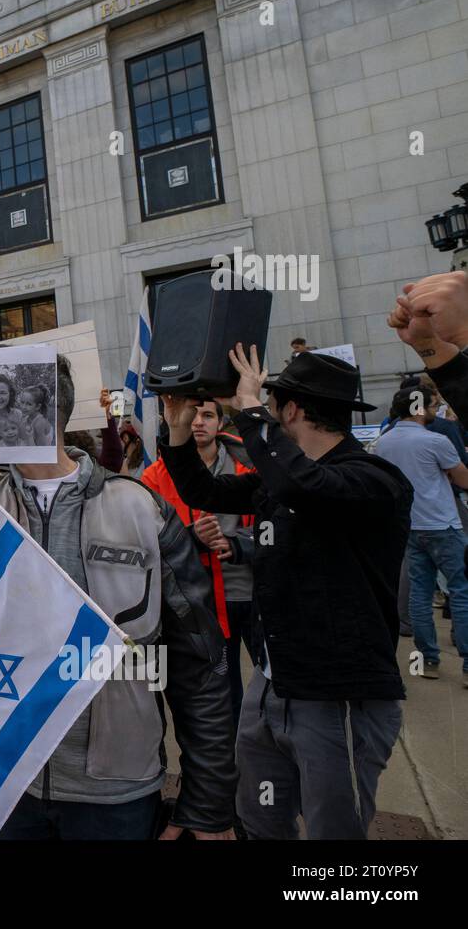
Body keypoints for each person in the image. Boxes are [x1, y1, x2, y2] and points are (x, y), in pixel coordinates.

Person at [0, 353, 235, 840]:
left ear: (49, 409)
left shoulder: (140, 507)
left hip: (114, 789)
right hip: (4, 777)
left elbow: (200, 664)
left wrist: (206, 803)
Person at [159, 346, 411, 839]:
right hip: (273, 686)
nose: (267, 409)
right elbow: (200, 492)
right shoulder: (281, 479)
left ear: (290, 409)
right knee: (259, 817)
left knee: (332, 829)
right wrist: (177, 428)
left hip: (339, 695)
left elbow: (305, 487)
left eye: (274, 402)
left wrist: (251, 412)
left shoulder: (373, 478)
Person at [142, 398, 256, 712]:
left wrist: (236, 545)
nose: (198, 422)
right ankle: (234, 748)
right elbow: (147, 538)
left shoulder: (249, 466)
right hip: (197, 598)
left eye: (208, 415)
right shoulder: (154, 476)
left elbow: (274, 529)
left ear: (220, 423)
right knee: (220, 683)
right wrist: (191, 537)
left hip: (250, 591)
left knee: (271, 680)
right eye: (194, 414)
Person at [371, 386, 468, 685]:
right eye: (433, 404)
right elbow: (463, 479)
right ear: (418, 407)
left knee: (420, 594)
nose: (436, 409)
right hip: (442, 524)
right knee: (462, 591)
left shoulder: (382, 443)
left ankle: (427, 659)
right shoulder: (436, 440)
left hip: (409, 527)